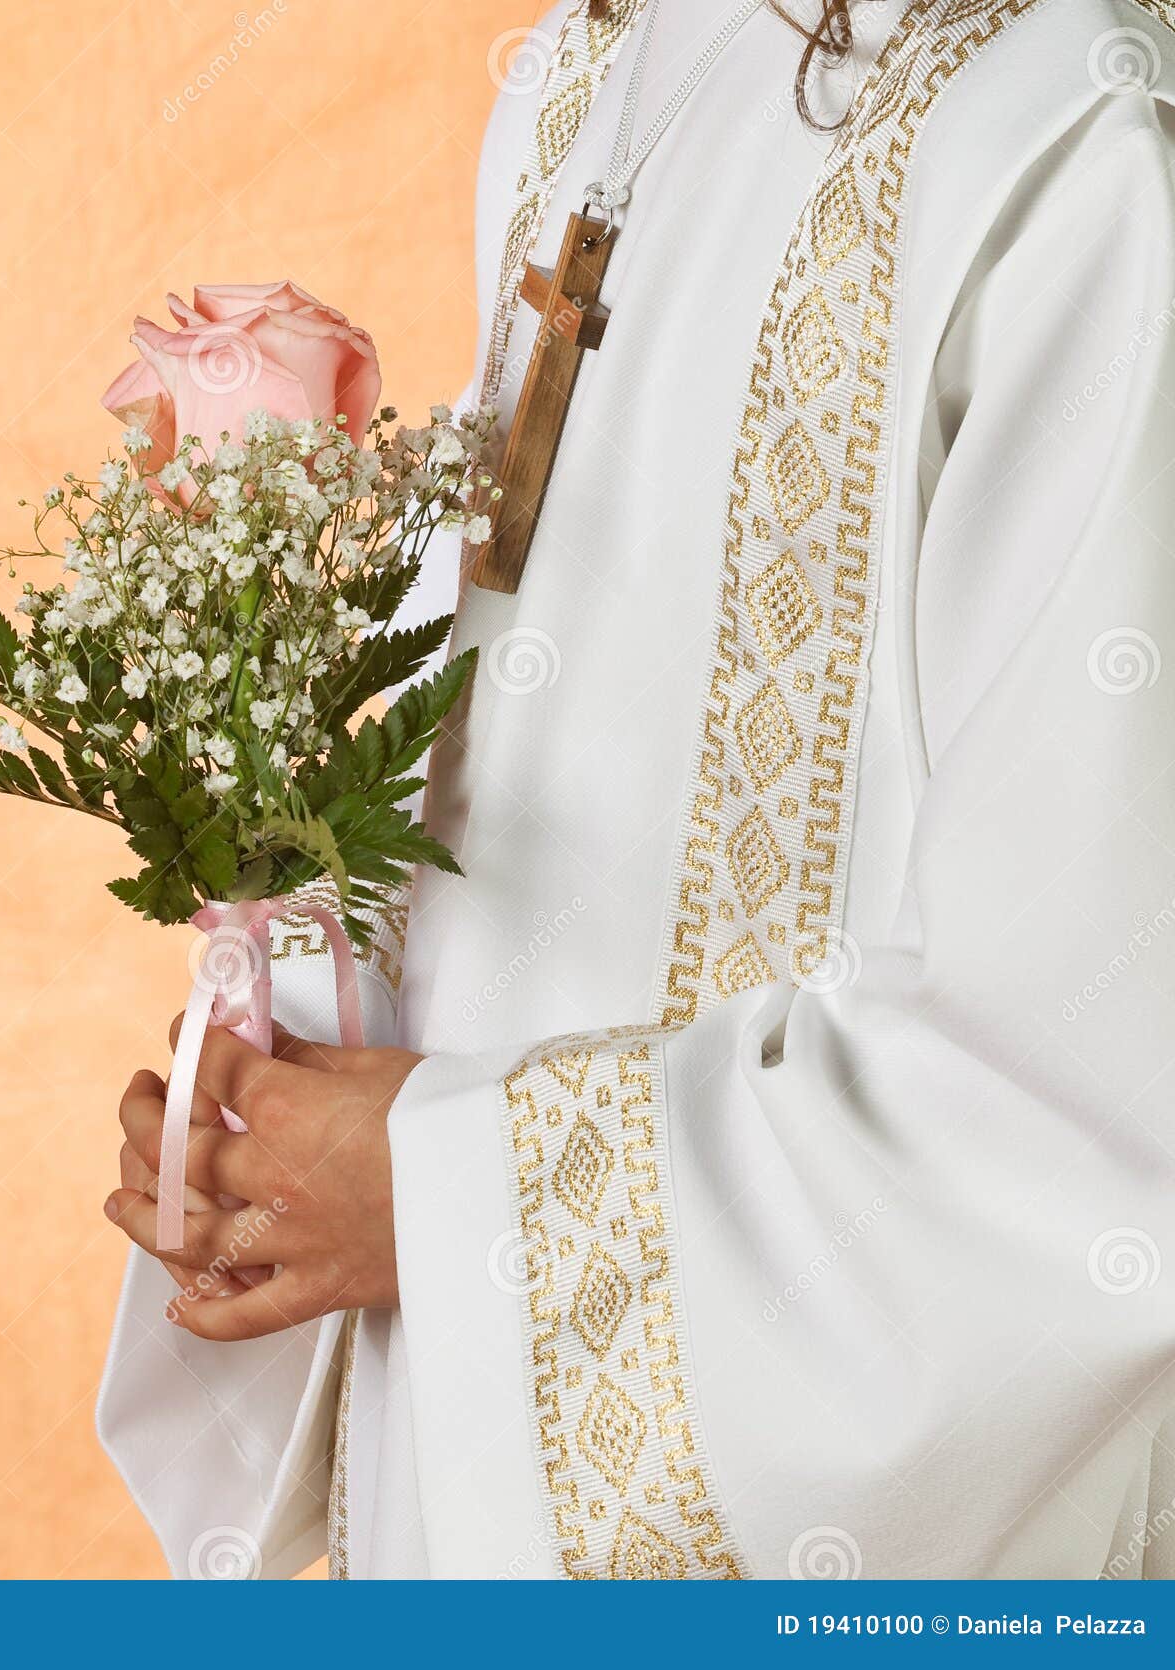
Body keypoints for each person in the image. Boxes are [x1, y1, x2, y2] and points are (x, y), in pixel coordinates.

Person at [98, 0, 1175, 1580]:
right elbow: (532, 752)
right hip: (461, 1446)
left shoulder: (1074, 137)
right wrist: (271, 1096)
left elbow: (1085, 1093)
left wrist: (444, 1190)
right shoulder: (588, 71)